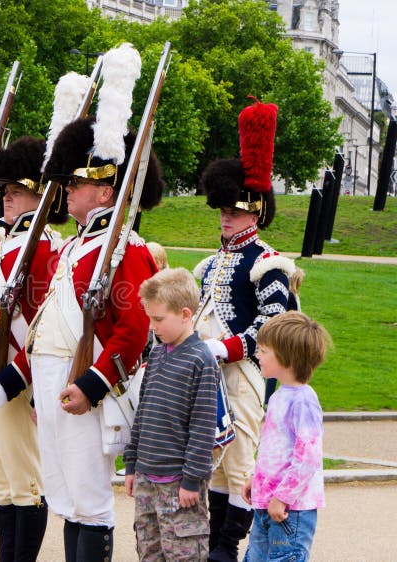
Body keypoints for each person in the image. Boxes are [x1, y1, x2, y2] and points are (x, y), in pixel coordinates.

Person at [20, 44, 165, 561]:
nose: (70, 193)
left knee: (89, 499)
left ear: (104, 192)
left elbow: (132, 330)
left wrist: (90, 385)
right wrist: (29, 381)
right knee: (65, 497)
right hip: (55, 377)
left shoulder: (123, 247)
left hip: (88, 383)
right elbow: (46, 324)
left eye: (77, 184)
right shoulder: (74, 246)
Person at [193, 99, 295, 562]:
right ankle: (215, 543)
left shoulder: (267, 262)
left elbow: (271, 326)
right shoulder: (209, 264)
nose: (225, 217)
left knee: (239, 463)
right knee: (213, 463)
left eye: (233, 211)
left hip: (246, 375)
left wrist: (226, 347)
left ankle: (227, 546)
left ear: (255, 211)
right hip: (208, 372)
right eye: (222, 210)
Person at [0, 136, 68, 560]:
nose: (7, 197)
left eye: (17, 191)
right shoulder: (8, 243)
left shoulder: (41, 245)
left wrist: (18, 379)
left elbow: (39, 324)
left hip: (11, 376)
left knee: (25, 482)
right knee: (3, 483)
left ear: (40, 195)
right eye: (6, 191)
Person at [124, 267, 219, 561]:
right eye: (150, 318)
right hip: (146, 478)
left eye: (159, 319)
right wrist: (131, 463)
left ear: (185, 314)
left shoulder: (201, 361)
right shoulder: (156, 352)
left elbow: (203, 428)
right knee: (149, 551)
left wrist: (192, 480)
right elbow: (144, 411)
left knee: (183, 553)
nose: (153, 327)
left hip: (179, 483)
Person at [241, 311, 330, 562]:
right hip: (267, 503)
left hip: (290, 510)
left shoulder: (304, 401)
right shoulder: (280, 395)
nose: (257, 355)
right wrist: (257, 480)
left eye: (263, 350)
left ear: (286, 357)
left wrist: (282, 497)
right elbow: (275, 448)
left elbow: (308, 457)